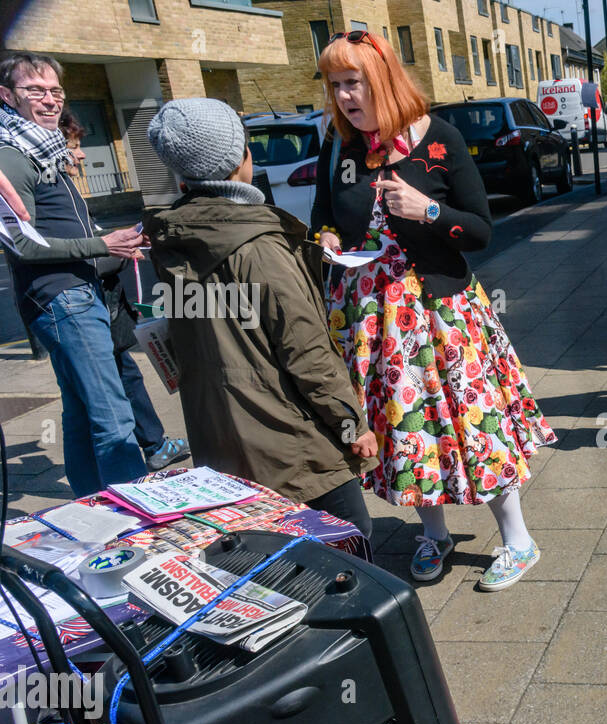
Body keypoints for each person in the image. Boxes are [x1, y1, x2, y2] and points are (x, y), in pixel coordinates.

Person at [312, 30, 555, 590]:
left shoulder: (439, 138)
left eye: (354, 83)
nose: (345, 96)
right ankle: (434, 533)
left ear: (383, 79)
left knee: (474, 423)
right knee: (405, 429)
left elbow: (480, 232)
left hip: (441, 311)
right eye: (336, 85)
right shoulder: (338, 144)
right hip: (371, 317)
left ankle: (518, 539)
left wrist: (429, 211)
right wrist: (326, 240)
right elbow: (324, 214)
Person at [144, 97, 378, 539]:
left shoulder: (172, 240)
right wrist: (352, 425)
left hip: (220, 440)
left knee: (266, 559)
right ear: (242, 159)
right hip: (293, 446)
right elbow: (307, 353)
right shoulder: (260, 247)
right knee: (348, 550)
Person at [0, 53, 147, 498]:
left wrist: (118, 238)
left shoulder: (42, 149)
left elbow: (64, 228)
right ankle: (143, 517)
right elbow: (22, 244)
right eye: (35, 91)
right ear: (7, 96)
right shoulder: (14, 157)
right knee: (113, 417)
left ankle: (90, 503)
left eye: (55, 91)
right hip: (64, 300)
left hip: (73, 295)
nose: (49, 101)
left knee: (82, 411)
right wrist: (104, 245)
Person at [59, 110, 189, 472]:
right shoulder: (53, 197)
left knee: (107, 390)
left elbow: (93, 244)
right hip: (86, 310)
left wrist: (122, 241)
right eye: (74, 147)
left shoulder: (69, 194)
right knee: (107, 408)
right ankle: (137, 473)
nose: (82, 155)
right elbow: (83, 257)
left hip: (103, 310)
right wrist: (114, 250)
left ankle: (147, 449)